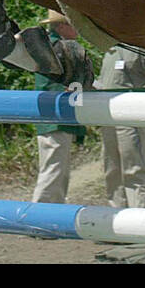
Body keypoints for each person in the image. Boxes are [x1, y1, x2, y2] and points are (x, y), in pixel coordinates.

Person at [95, 46, 145, 209]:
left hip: (131, 119)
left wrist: (134, 99)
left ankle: (140, 216)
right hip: (107, 117)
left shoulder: (144, 47)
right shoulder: (110, 49)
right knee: (112, 170)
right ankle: (116, 217)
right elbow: (103, 83)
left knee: (134, 168)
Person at [31, 12, 87, 204]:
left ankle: (51, 217)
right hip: (57, 118)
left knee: (57, 170)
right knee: (54, 170)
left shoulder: (51, 47)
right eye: (74, 23)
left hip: (53, 118)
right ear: (62, 26)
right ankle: (40, 219)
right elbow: (69, 84)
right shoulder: (61, 48)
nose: (78, 28)